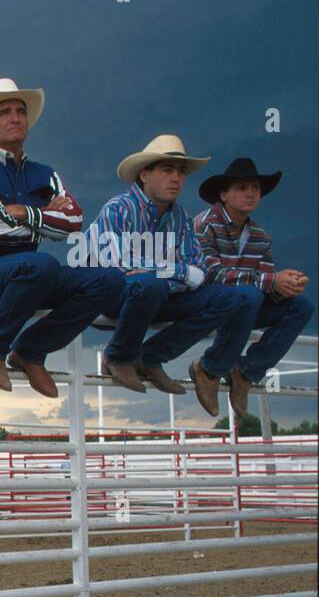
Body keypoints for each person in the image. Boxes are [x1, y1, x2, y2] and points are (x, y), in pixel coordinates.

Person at [0, 78, 122, 397]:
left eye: (20, 112)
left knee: (108, 280)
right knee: (40, 264)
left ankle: (30, 351)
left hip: (31, 273)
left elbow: (73, 221)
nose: (15, 118)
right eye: (4, 112)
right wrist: (43, 213)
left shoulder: (45, 172)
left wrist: (22, 211)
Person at [91, 135, 245, 416]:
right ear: (145, 174)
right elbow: (119, 263)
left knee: (230, 299)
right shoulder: (118, 209)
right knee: (150, 284)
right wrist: (178, 272)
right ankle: (117, 355)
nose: (176, 178)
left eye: (181, 171)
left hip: (160, 294)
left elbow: (200, 267)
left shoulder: (181, 218)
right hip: (115, 294)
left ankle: (150, 357)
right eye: (167, 170)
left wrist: (171, 273)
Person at [192, 158, 314, 417]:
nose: (250, 193)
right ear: (223, 194)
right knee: (249, 294)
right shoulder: (204, 224)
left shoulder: (260, 236)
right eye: (242, 187)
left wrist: (287, 285)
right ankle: (209, 368)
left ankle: (245, 373)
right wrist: (272, 281)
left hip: (245, 306)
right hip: (205, 304)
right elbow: (209, 274)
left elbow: (267, 281)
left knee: (302, 306)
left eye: (255, 188)